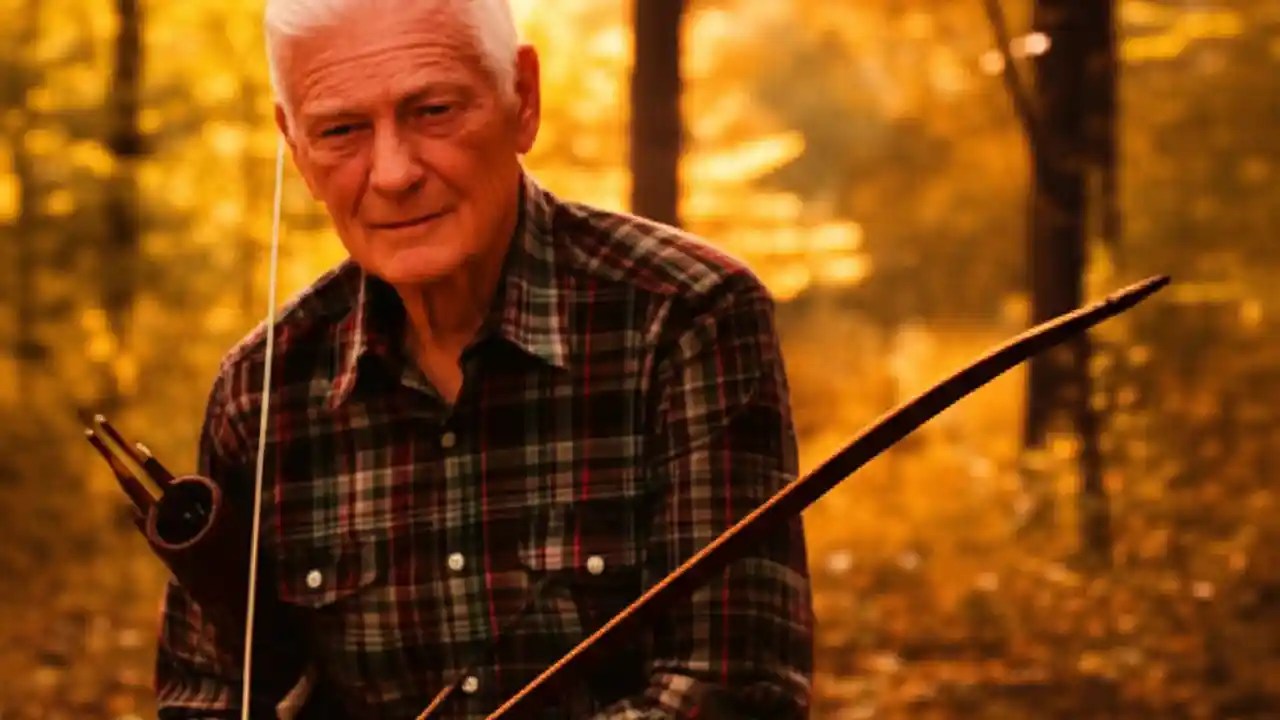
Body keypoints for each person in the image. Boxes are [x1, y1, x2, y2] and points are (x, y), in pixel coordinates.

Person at [154, 0, 814, 717]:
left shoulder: (685, 316)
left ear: (521, 98)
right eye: (341, 130)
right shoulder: (260, 391)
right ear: (295, 148)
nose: (394, 172)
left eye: (433, 111)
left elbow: (729, 692)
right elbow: (207, 697)